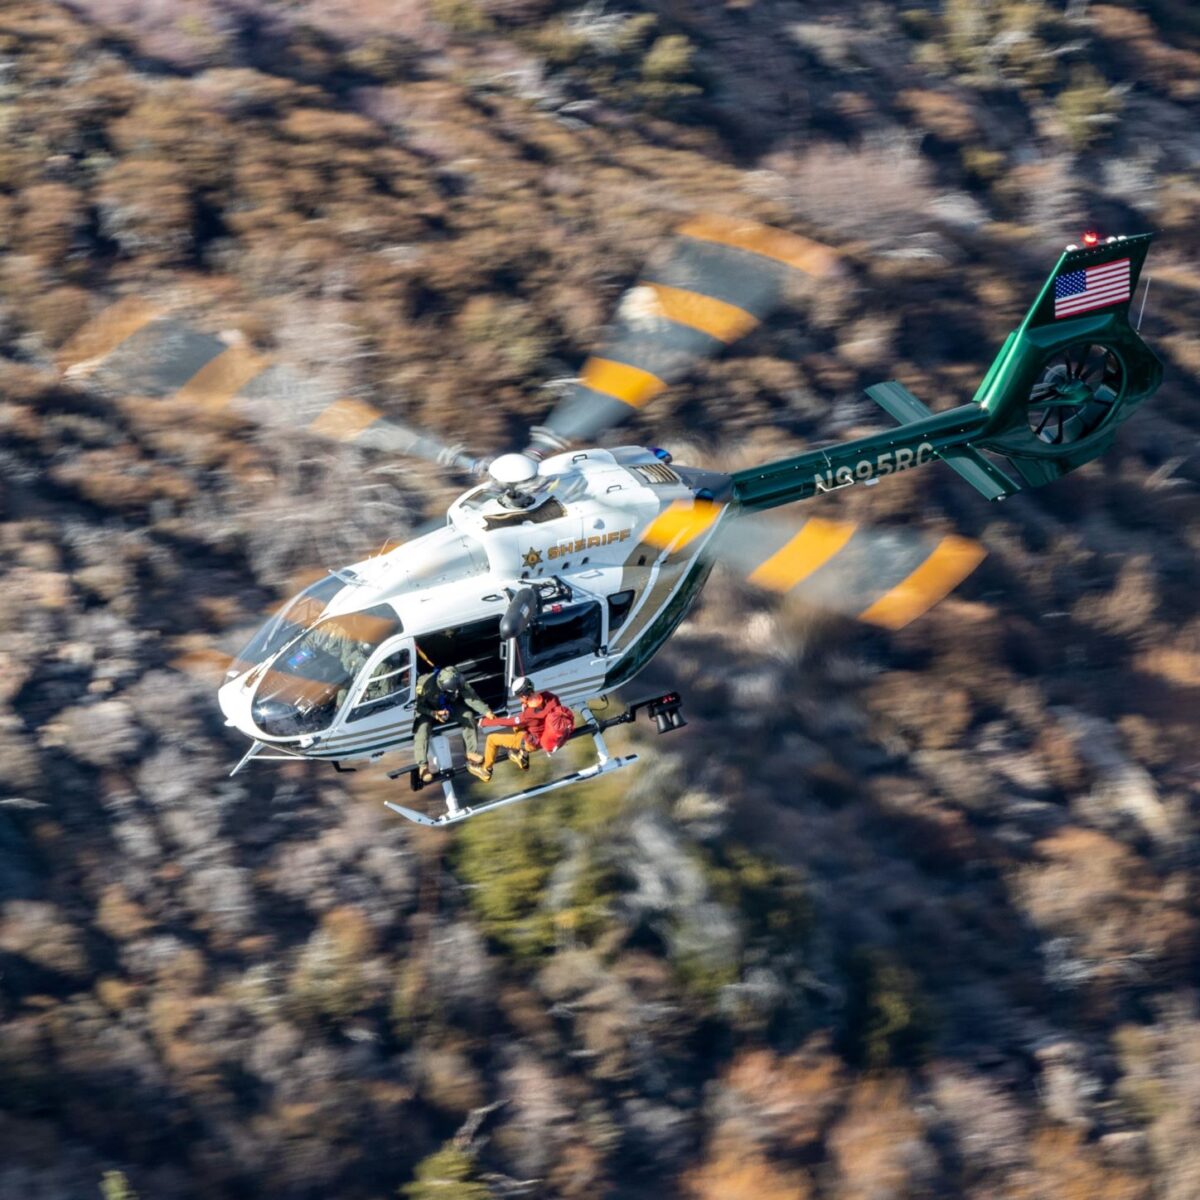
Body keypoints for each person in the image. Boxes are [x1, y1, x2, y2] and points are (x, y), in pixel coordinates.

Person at [471, 676, 575, 782]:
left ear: (523, 695)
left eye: (518, 696)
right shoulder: (551, 697)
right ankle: (522, 757)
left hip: (530, 742)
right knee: (517, 725)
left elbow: (507, 722)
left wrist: (485, 722)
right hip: (542, 735)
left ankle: (486, 770)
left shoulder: (528, 715)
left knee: (492, 739)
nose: (519, 699)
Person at [413, 666, 493, 782]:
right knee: (422, 729)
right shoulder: (424, 685)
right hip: (427, 709)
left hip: (447, 705)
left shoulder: (456, 678)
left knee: (468, 716)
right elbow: (416, 706)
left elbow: (471, 696)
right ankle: (423, 766)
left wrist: (486, 711)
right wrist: (433, 713)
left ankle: (471, 752)